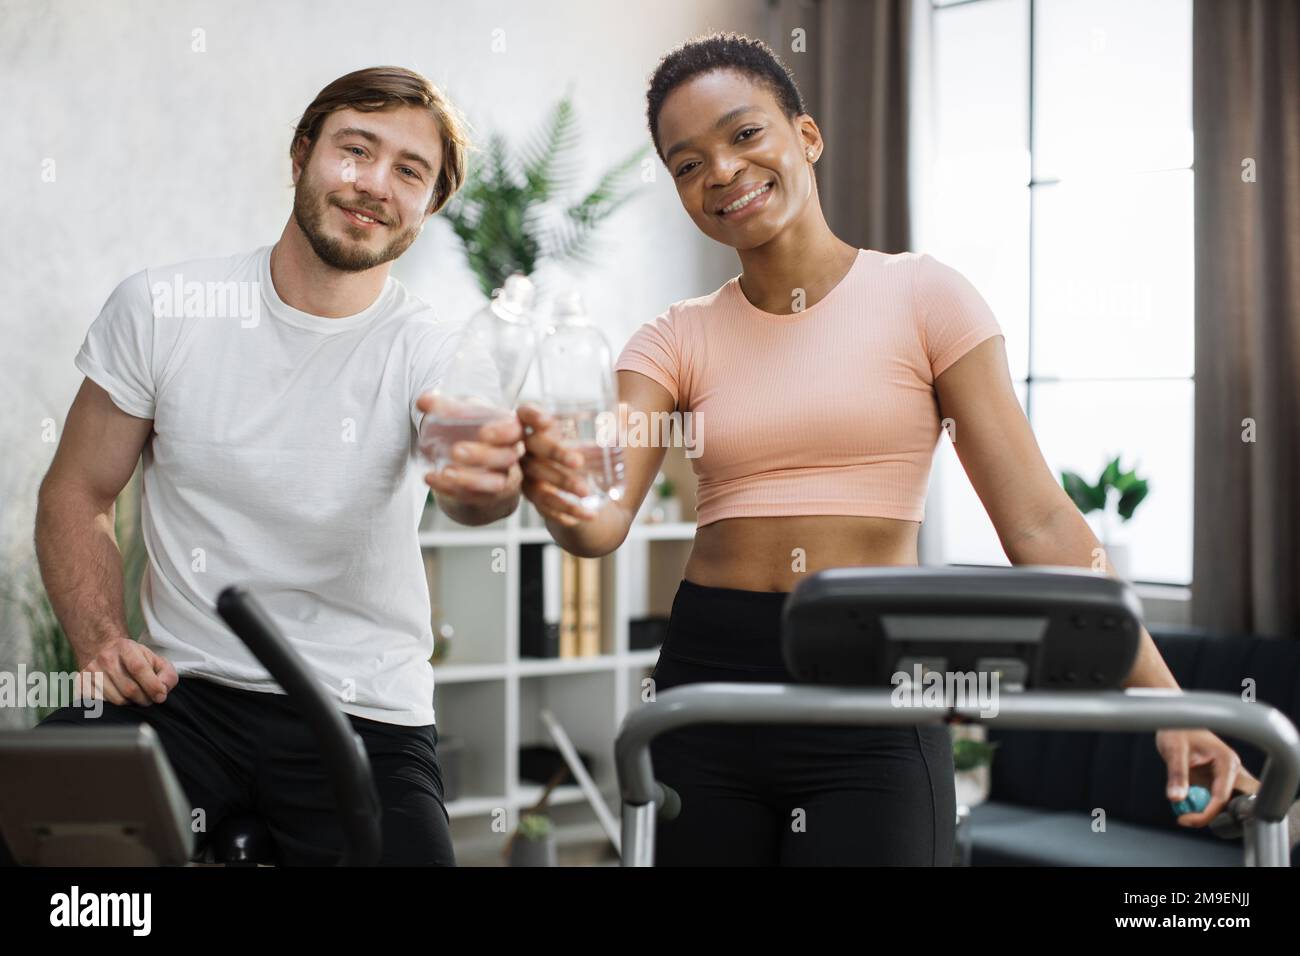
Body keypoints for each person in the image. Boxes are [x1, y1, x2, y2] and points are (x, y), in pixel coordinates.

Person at [517, 32, 1254, 866]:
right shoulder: (670, 339)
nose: (720, 171)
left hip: (878, 674)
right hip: (711, 678)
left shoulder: (925, 297)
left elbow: (1041, 521)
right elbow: (603, 520)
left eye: (744, 134)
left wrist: (1173, 710)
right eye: (687, 164)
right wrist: (560, 494)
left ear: (807, 136)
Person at [29, 67, 524, 866]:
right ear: (301, 155)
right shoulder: (163, 309)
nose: (373, 185)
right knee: (37, 826)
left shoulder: (437, 349)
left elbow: (471, 483)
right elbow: (77, 491)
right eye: (355, 150)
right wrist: (99, 641)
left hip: (365, 716)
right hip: (182, 697)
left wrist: (484, 488)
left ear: (427, 207)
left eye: (410, 172)